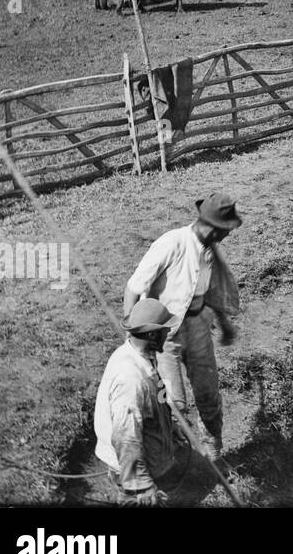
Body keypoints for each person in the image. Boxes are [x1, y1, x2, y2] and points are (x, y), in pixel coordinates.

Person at [122, 193, 242, 463]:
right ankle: (176, 458)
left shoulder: (210, 250)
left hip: (198, 327)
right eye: (226, 230)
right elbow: (133, 287)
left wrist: (224, 323)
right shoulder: (172, 243)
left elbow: (210, 289)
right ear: (212, 228)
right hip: (165, 335)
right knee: (172, 402)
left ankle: (213, 452)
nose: (228, 236)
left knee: (208, 392)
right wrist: (133, 339)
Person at [94, 297, 177, 506]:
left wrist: (170, 426)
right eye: (164, 330)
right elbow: (126, 436)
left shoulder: (143, 354)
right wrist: (141, 486)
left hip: (146, 453)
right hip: (130, 468)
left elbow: (158, 391)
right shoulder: (129, 379)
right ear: (151, 334)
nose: (168, 333)